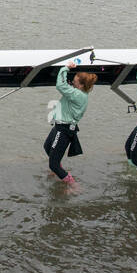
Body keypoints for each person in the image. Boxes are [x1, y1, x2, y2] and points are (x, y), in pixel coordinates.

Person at [45, 58, 96, 189]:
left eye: (75, 81)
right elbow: (66, 86)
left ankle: (73, 184)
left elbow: (60, 86)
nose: (72, 81)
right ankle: (59, 170)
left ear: (81, 85)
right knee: (47, 147)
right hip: (60, 126)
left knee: (53, 164)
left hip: (64, 129)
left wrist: (65, 68)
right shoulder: (78, 93)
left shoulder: (77, 95)